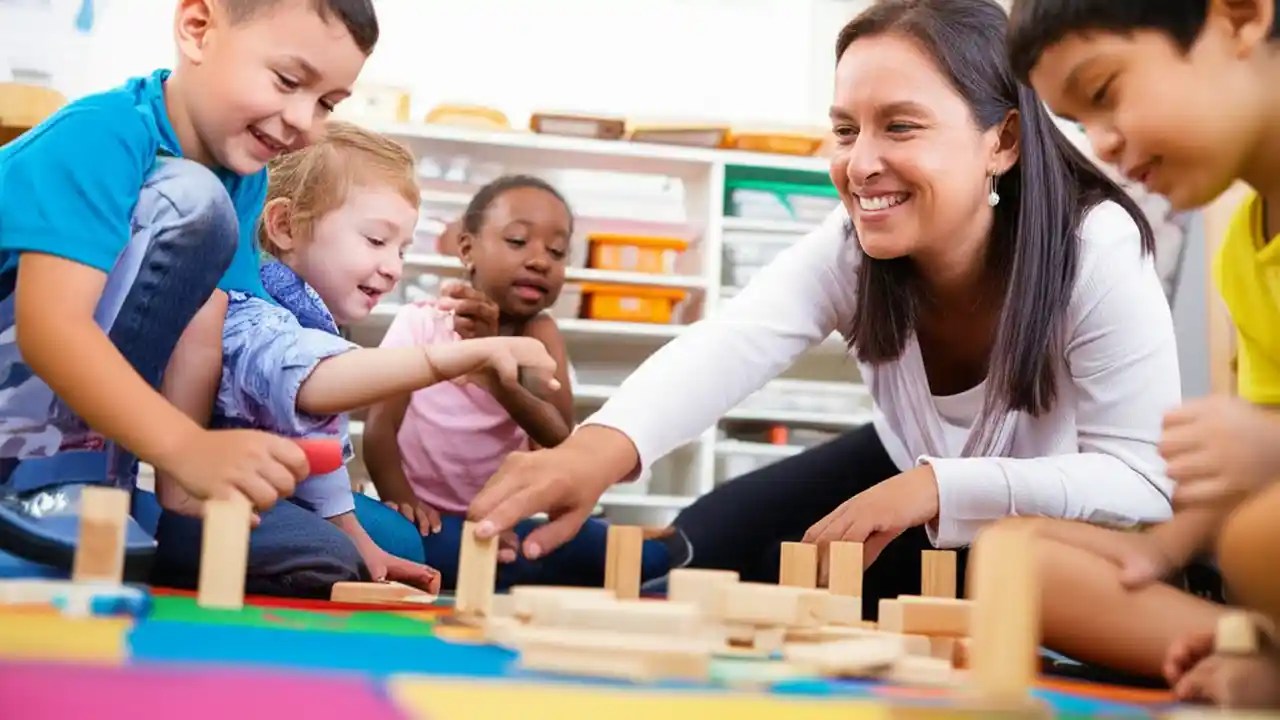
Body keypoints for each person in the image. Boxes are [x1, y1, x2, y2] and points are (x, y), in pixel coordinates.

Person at [465, 0, 1179, 620]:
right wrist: (597, 448)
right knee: (705, 546)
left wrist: (937, 486)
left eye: (900, 127)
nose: (860, 163)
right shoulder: (852, 246)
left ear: (1004, 139)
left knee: (927, 597)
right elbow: (734, 341)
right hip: (904, 473)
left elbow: (1140, 480)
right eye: (845, 130)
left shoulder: (1097, 245)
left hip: (1043, 522)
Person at [0, 0, 377, 576]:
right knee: (189, 195)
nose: (305, 119)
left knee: (322, 556)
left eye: (326, 103)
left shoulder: (243, 177)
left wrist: (182, 484)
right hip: (20, 419)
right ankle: (39, 481)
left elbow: (201, 335)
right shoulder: (99, 135)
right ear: (197, 29)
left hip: (101, 460)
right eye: (287, 81)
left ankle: (95, 490)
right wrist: (184, 448)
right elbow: (51, 329)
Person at [149, 124, 562, 597]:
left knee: (392, 540)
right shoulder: (251, 305)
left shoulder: (309, 313)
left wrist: (358, 538)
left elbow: (318, 436)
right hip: (209, 498)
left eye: (402, 250)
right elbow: (313, 381)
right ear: (284, 226)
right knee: (330, 553)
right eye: (375, 241)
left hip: (271, 490)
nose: (394, 267)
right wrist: (463, 354)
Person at [1006, 0, 1280, 707]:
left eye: (1104, 94)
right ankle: (1250, 648)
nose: (1099, 143)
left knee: (1260, 536)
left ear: (1242, 17)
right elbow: (1238, 472)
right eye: (1079, 124)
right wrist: (1159, 551)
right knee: (1021, 557)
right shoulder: (1240, 253)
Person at [359, 175, 689, 590]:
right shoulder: (423, 320)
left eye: (556, 251)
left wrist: (501, 380)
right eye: (518, 241)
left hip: (509, 518)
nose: (539, 260)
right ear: (467, 249)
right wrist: (403, 500)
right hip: (428, 520)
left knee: (613, 551)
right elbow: (380, 428)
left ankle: (637, 550)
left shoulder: (541, 334)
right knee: (380, 532)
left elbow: (557, 439)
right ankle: (489, 560)